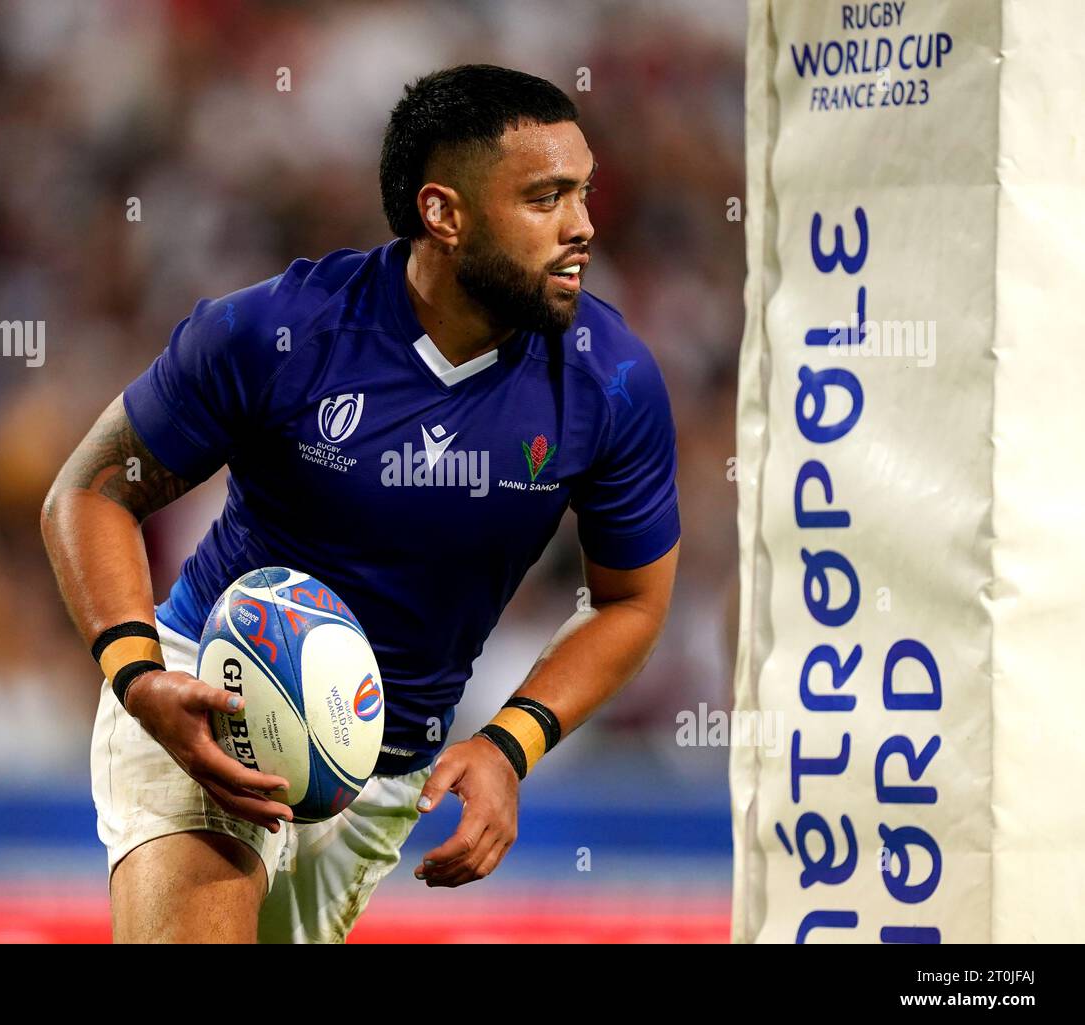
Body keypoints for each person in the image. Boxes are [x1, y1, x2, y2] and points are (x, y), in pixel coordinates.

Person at [40, 64, 680, 943]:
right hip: (210, 697)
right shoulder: (274, 334)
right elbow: (89, 492)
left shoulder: (613, 381)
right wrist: (140, 674)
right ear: (444, 214)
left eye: (584, 193)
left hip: (384, 767)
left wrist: (508, 745)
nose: (583, 227)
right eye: (546, 198)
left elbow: (633, 601)